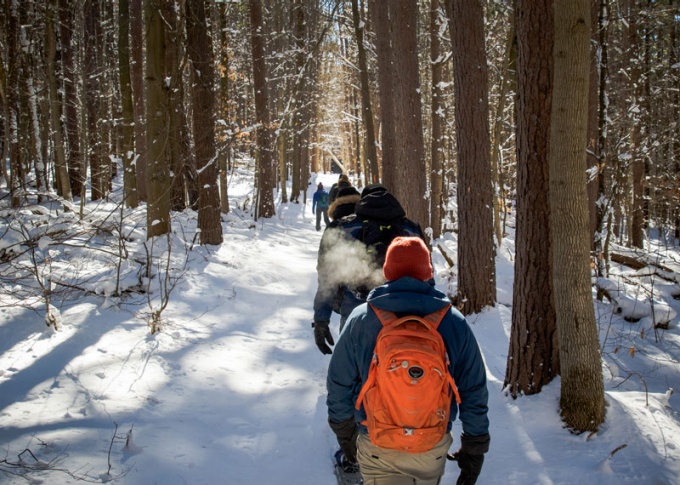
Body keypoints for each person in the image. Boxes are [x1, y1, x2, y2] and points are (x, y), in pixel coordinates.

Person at [326, 237, 490, 485]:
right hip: (430, 443)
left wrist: (343, 429)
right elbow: (473, 388)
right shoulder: (453, 321)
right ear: (427, 271)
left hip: (376, 440)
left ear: (387, 271)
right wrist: (475, 444)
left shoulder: (362, 318)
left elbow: (339, 381)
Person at [312, 184, 425, 354]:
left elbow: (328, 278)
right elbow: (426, 278)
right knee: (397, 372)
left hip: (357, 314)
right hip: (405, 316)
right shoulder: (411, 229)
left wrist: (321, 319)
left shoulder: (343, 227)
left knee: (351, 372)